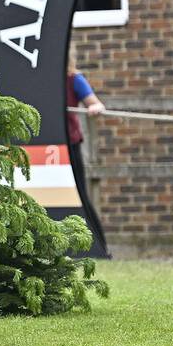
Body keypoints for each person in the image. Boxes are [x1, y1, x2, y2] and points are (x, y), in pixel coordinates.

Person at [66, 50, 106, 248]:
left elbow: (96, 103)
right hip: (48, 145)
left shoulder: (75, 79)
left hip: (70, 143)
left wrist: (95, 108)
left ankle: (98, 244)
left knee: (79, 194)